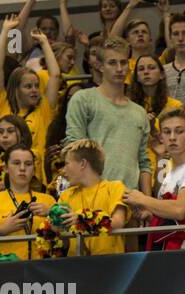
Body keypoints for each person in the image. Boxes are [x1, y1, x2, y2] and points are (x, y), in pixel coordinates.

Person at [66, 37, 153, 191]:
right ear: (100, 66)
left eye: (123, 62)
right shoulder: (83, 99)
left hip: (131, 199)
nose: (119, 69)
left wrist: (146, 202)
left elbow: (143, 162)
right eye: (112, 63)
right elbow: (75, 149)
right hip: (92, 197)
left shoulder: (139, 112)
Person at [0, 16, 62, 175]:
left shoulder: (43, 110)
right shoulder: (2, 105)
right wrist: (5, 31)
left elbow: (55, 75)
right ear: (16, 89)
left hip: (34, 177)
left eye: (37, 86)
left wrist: (44, 43)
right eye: (28, 86)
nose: (35, 90)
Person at [127, 105, 185, 249]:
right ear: (161, 137)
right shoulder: (169, 168)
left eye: (179, 131)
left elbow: (181, 210)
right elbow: (169, 216)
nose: (172, 137)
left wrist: (143, 199)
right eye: (167, 132)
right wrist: (149, 215)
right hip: (169, 251)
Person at [0, 143, 54, 259]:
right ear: (6, 168)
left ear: (33, 170)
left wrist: (51, 213)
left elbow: (63, 243)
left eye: (28, 164)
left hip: (41, 271)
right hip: (6, 270)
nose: (22, 168)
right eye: (16, 163)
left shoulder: (48, 200)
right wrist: (1, 232)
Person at [57, 137, 130, 255]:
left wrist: (82, 220)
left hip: (111, 265)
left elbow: (118, 222)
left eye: (66, 164)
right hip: (75, 266)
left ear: (82, 164)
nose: (63, 170)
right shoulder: (66, 195)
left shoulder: (114, 187)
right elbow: (61, 239)